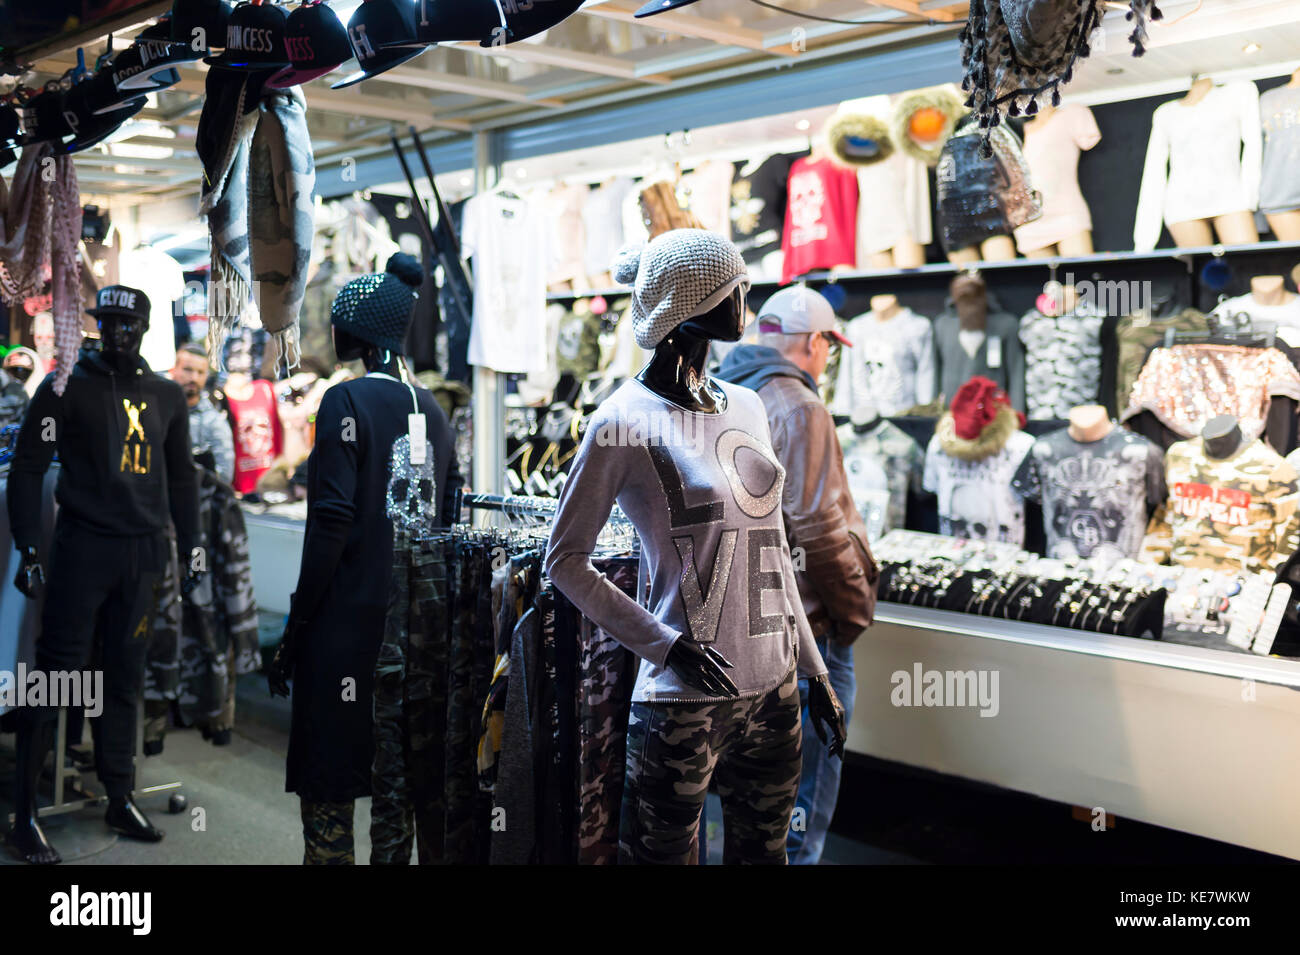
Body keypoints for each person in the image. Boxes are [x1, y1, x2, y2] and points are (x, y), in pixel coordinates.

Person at [267, 254, 464, 865]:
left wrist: (295, 630)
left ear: (358, 331)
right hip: (412, 636)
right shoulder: (432, 409)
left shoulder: (344, 402)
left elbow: (330, 523)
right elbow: (446, 521)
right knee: (394, 791)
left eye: (337, 321)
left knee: (329, 788)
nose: (331, 333)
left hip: (344, 628)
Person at [5, 284, 200, 864]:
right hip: (84, 548)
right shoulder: (64, 389)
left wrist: (192, 553)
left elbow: (183, 479)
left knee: (125, 676)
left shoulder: (166, 395)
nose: (118, 332)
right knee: (56, 678)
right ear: (97, 324)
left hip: (143, 554)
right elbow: (27, 468)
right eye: (108, 321)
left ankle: (120, 793)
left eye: (128, 324)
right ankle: (25, 812)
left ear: (142, 329)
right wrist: (29, 550)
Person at [717, 284, 878, 865]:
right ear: (814, 343)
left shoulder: (724, 391)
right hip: (809, 628)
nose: (828, 357)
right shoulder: (800, 405)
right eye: (829, 345)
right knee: (803, 798)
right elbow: (814, 520)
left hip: (743, 625)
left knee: (753, 798)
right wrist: (854, 609)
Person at [169, 342, 235, 483]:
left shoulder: (214, 422)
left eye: (200, 372)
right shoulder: (158, 411)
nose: (194, 378)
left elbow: (223, 477)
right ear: (174, 370)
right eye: (187, 370)